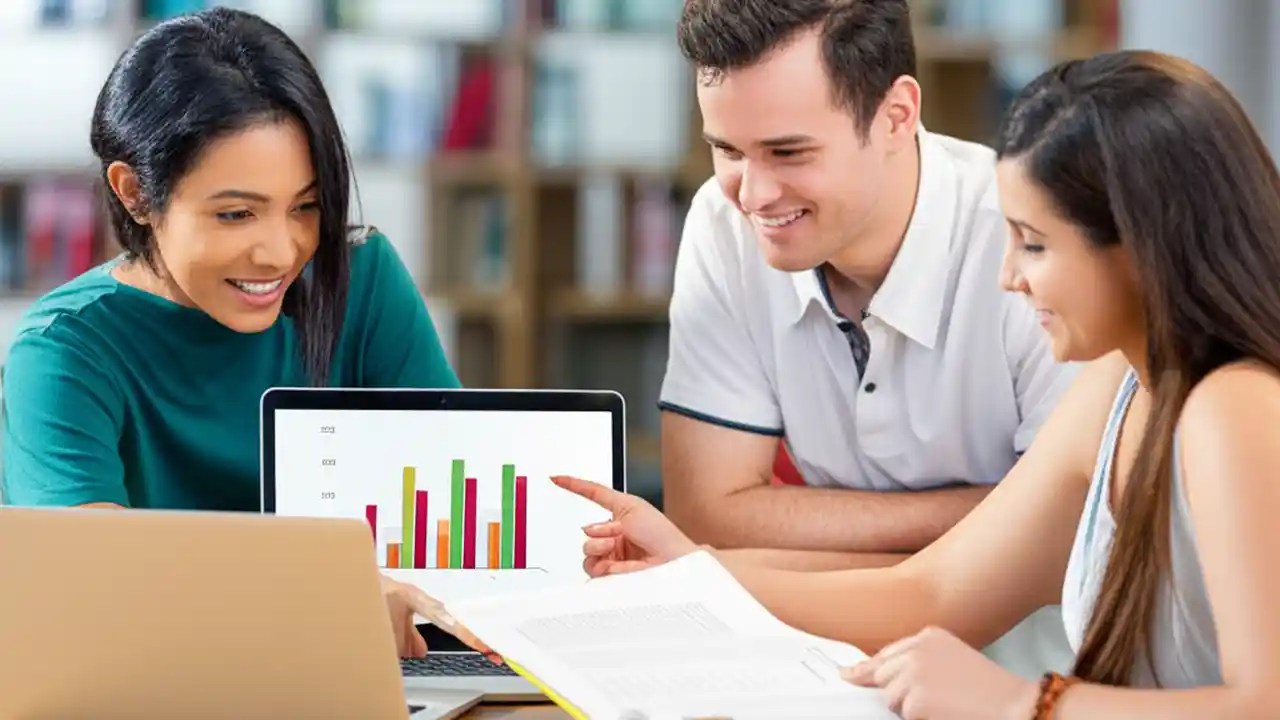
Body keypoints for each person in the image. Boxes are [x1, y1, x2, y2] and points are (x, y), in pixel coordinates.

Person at [557, 48, 1280, 717]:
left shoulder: (1231, 406)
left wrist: (1020, 702)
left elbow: (1265, 704)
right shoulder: (1118, 392)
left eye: (1034, 243)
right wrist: (694, 572)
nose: (1009, 277)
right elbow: (930, 591)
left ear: (1137, 245)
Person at [0, 8, 485, 660]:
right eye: (236, 213)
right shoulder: (63, 351)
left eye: (306, 207)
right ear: (136, 192)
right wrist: (326, 593)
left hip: (360, 668)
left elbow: (460, 496)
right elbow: (92, 583)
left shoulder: (362, 282)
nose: (282, 252)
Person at [658, 0, 1076, 674]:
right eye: (726, 150)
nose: (754, 194)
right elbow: (710, 515)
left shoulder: (1027, 236)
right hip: (822, 670)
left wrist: (769, 545)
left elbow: (1061, 542)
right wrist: (991, 518)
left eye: (788, 152)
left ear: (897, 115)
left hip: (1037, 679)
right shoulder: (722, 220)